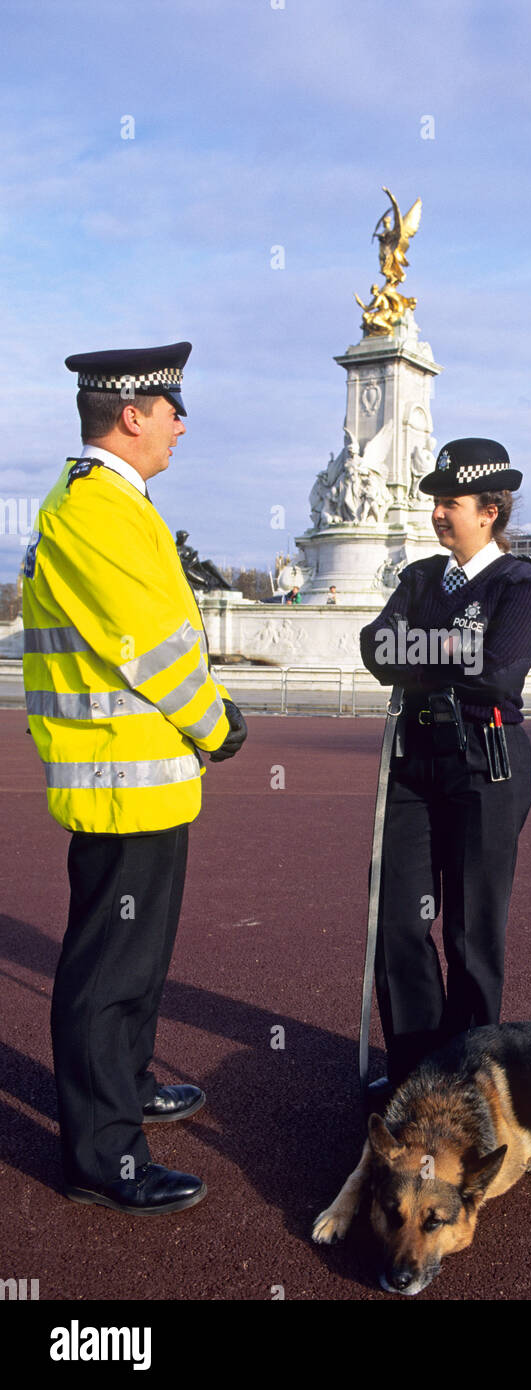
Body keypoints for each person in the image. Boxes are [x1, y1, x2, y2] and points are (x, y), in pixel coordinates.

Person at [22, 341, 248, 1214]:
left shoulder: (111, 503)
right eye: (172, 409)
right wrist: (217, 722)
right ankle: (101, 1158)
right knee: (108, 970)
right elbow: (151, 648)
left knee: (133, 963)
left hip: (138, 778)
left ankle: (126, 1084)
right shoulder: (99, 510)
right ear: (131, 416)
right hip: (121, 779)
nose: (181, 424)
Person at [359, 438, 531, 1096]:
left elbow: (499, 674)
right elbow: (374, 648)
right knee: (396, 920)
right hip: (413, 762)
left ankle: (471, 1074)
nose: (439, 514)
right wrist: (452, 651)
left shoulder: (520, 581)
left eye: (451, 503)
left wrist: (418, 651)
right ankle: (417, 1069)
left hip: (484, 765)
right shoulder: (418, 578)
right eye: (436, 502)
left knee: (471, 926)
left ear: (490, 510)